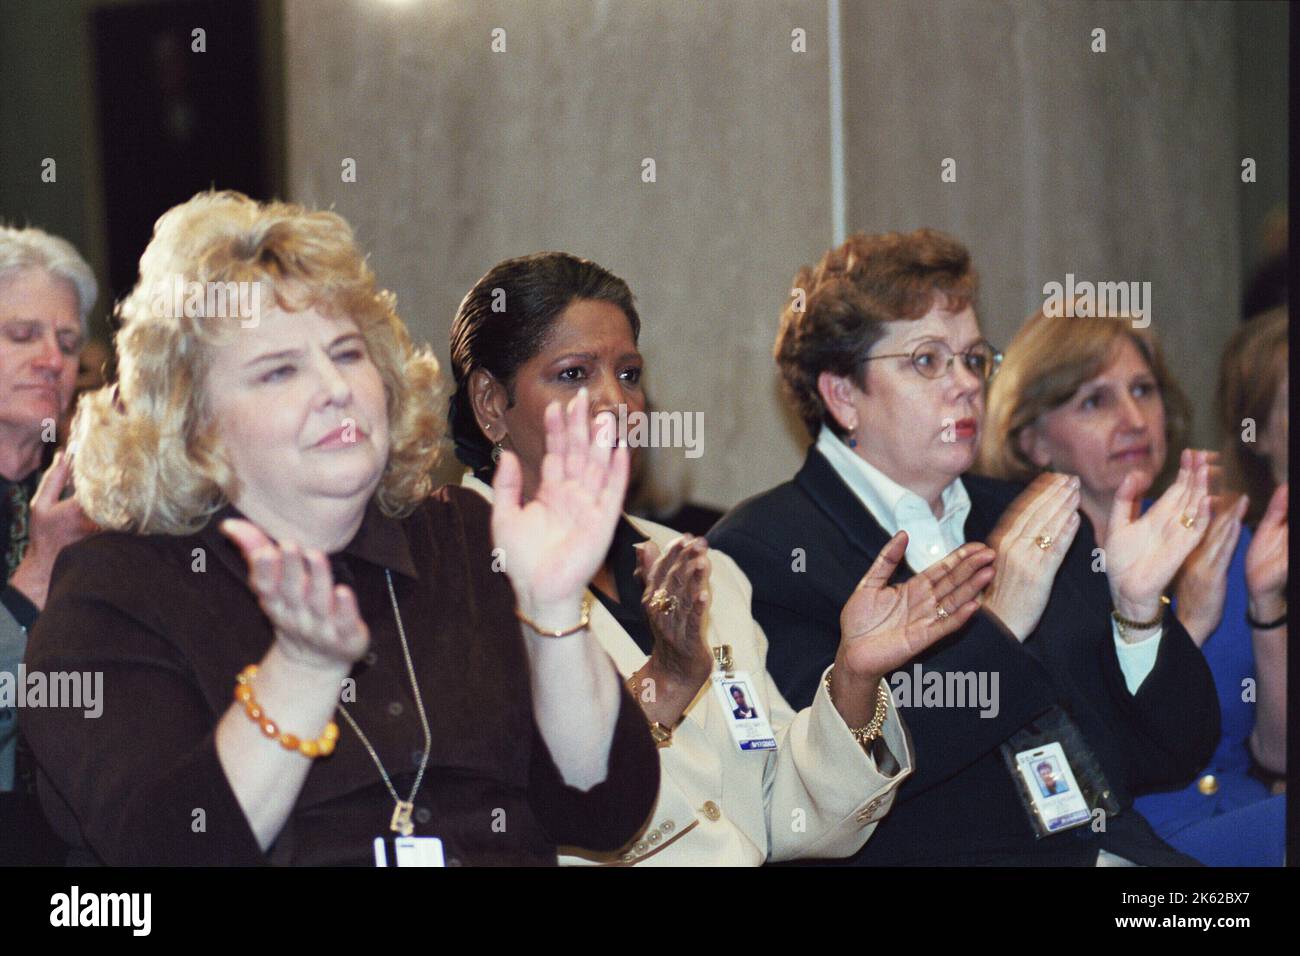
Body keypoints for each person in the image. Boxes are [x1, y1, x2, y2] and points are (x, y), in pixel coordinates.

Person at [22, 192, 660, 866]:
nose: (335, 387)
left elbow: (604, 808)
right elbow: (170, 852)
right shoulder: (117, 593)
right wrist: (302, 670)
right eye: (280, 370)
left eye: (347, 353)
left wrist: (554, 611)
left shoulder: (467, 540)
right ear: (192, 422)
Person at [448, 251, 998, 866]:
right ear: (492, 403)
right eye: (574, 374)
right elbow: (500, 807)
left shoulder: (705, 569)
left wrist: (854, 677)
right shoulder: (449, 574)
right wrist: (665, 681)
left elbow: (779, 809)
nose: (617, 403)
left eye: (628, 374)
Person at [709, 228, 1219, 866]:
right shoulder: (764, 553)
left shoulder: (1026, 510)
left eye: (974, 359)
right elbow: (838, 789)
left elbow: (1170, 757)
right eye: (928, 360)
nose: (966, 384)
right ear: (843, 394)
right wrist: (999, 621)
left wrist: (1139, 614)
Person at [978, 304, 1287, 866]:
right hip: (1134, 843)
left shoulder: (1220, 540)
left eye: (1143, 390)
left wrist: (1268, 606)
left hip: (1253, 820)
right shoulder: (1019, 569)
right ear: (1033, 442)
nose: (1134, 418)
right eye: (1095, 400)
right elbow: (1089, 767)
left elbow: (1280, 752)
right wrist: (1184, 625)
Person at [0, 225, 98, 864]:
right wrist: (39, 573)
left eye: (67, 342)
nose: (53, 360)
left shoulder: (94, 492)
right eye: (23, 335)